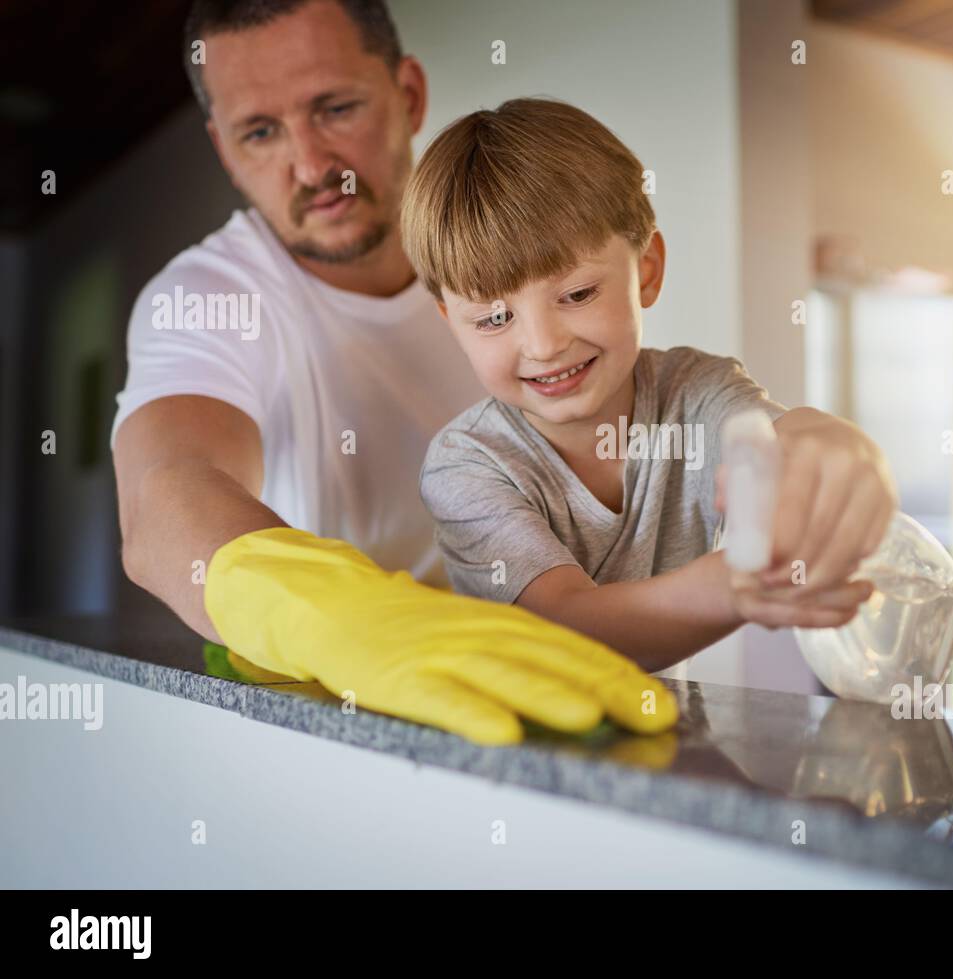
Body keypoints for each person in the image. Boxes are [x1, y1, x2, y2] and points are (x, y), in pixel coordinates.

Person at [110, 0, 677, 747]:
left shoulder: (510, 260)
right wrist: (338, 614)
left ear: (408, 95)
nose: (311, 166)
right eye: (261, 131)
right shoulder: (209, 298)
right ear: (224, 147)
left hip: (566, 685)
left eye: (335, 108)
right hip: (334, 726)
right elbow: (163, 499)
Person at [408, 98, 900, 674]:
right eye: (495, 319)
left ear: (647, 271)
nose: (543, 345)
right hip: (504, 755)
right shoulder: (466, 466)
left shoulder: (695, 392)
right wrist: (731, 589)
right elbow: (566, 628)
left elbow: (781, 433)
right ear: (451, 325)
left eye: (578, 294)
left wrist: (846, 450)